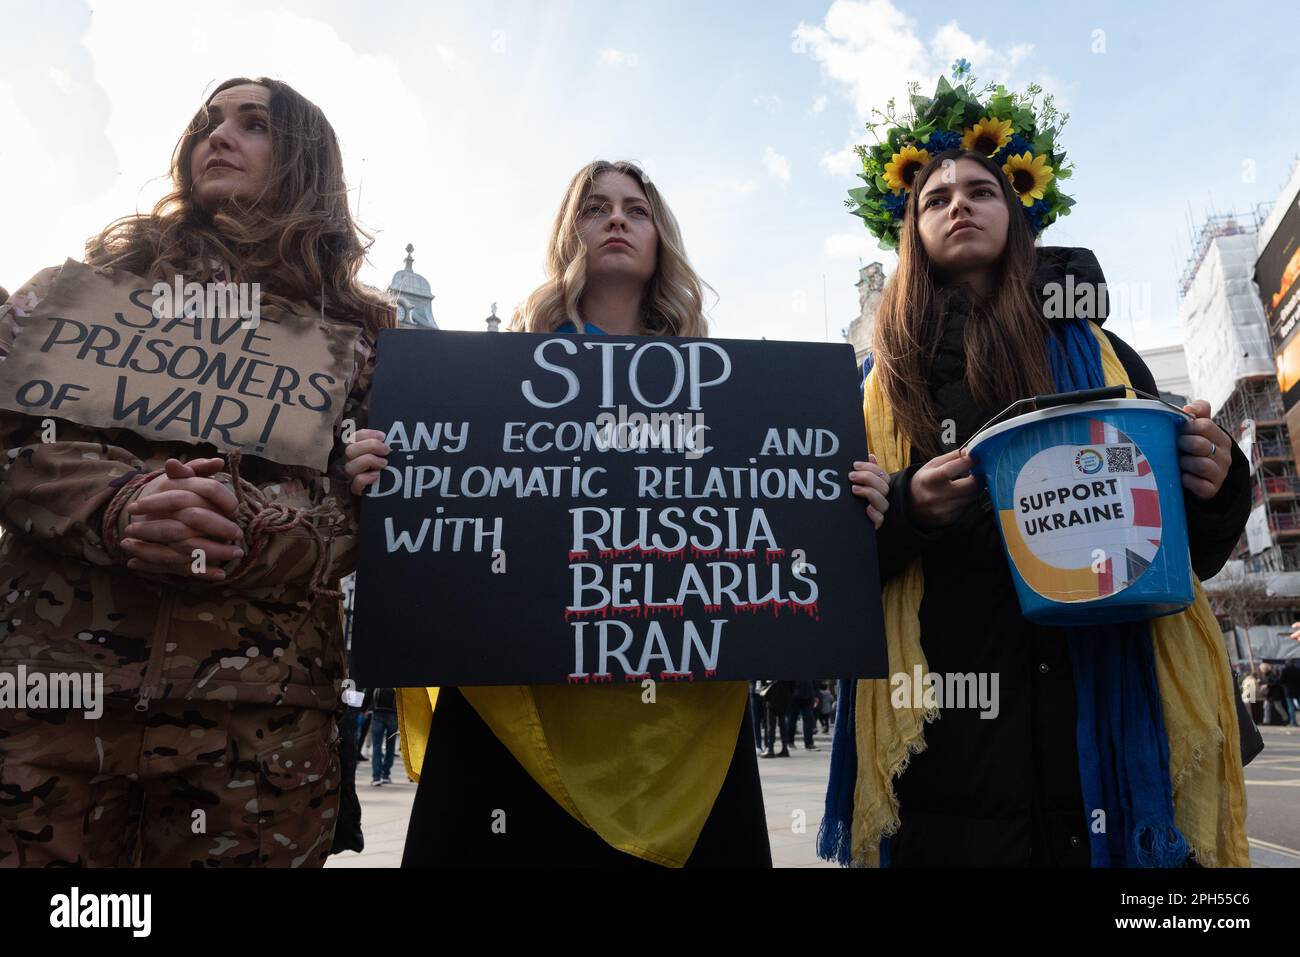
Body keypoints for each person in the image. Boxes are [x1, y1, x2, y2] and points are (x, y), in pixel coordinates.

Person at [0, 77, 394, 867]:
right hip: (57, 711)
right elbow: (15, 440)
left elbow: (373, 513)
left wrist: (245, 533)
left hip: (259, 734)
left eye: (254, 125)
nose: (220, 136)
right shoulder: (78, 295)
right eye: (209, 123)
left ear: (307, 163)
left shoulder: (360, 341)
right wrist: (119, 504)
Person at [826, 138, 1251, 867]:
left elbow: (1186, 545)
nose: (959, 202)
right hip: (951, 738)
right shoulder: (876, 387)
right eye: (936, 197)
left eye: (982, 191)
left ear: (1018, 220)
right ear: (913, 233)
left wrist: (1219, 481)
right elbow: (829, 562)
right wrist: (907, 512)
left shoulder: (1104, 351)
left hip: (1108, 706)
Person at [396, 160, 772, 867]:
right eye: (596, 208)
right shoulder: (501, 374)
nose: (618, 220)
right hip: (527, 711)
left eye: (636, 208)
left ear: (660, 236)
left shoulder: (722, 386)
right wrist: (389, 474)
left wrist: (843, 498)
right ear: (571, 234)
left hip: (679, 714)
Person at [363, 687, 399, 785]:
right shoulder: (399, 676)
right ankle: (386, 775)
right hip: (393, 714)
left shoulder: (377, 675)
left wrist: (363, 709)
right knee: (390, 746)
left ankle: (376, 777)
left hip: (378, 713)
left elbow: (369, 692)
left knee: (377, 746)